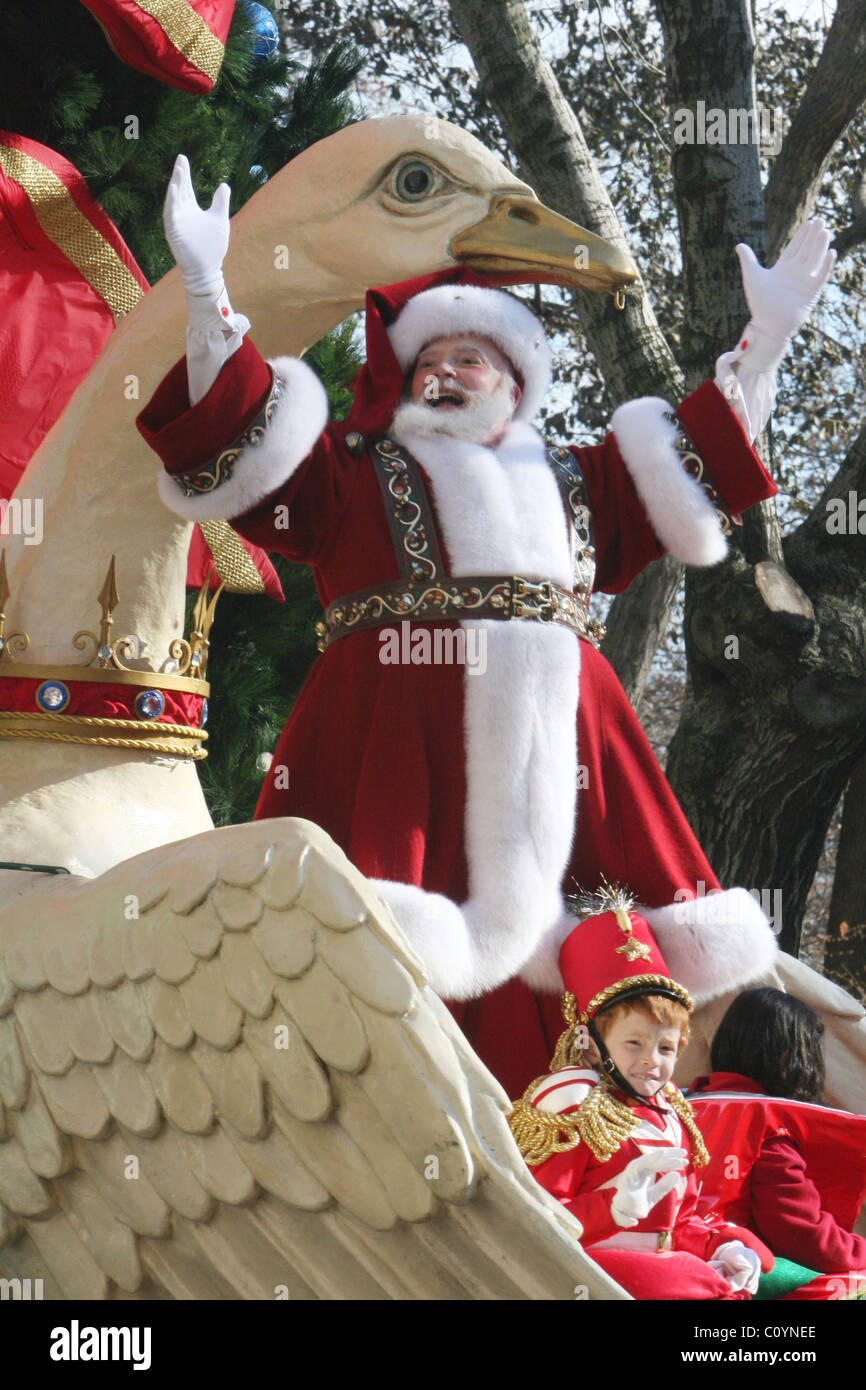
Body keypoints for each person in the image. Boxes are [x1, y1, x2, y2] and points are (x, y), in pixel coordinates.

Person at [137, 154, 833, 1094]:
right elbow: (243, 443)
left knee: (603, 972)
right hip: (393, 741)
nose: (450, 373)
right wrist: (211, 289)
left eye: (471, 358)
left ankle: (587, 1156)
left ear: (514, 377)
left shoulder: (579, 481)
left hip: (570, 752)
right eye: (432, 361)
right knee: (371, 954)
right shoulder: (354, 473)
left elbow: (702, 467)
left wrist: (769, 335)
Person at [507, 895, 773, 1299]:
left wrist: (721, 1247)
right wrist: (609, 1209)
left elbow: (678, 1226)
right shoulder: (572, 1102)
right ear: (592, 1042)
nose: (652, 1061)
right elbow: (530, 1225)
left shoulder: (670, 1112)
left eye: (666, 1048)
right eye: (634, 1043)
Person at [687, 987, 866, 1300]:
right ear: (788, 1058)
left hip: (669, 1250)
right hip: (727, 1264)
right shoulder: (768, 1125)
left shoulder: (685, 1102)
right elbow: (802, 1235)